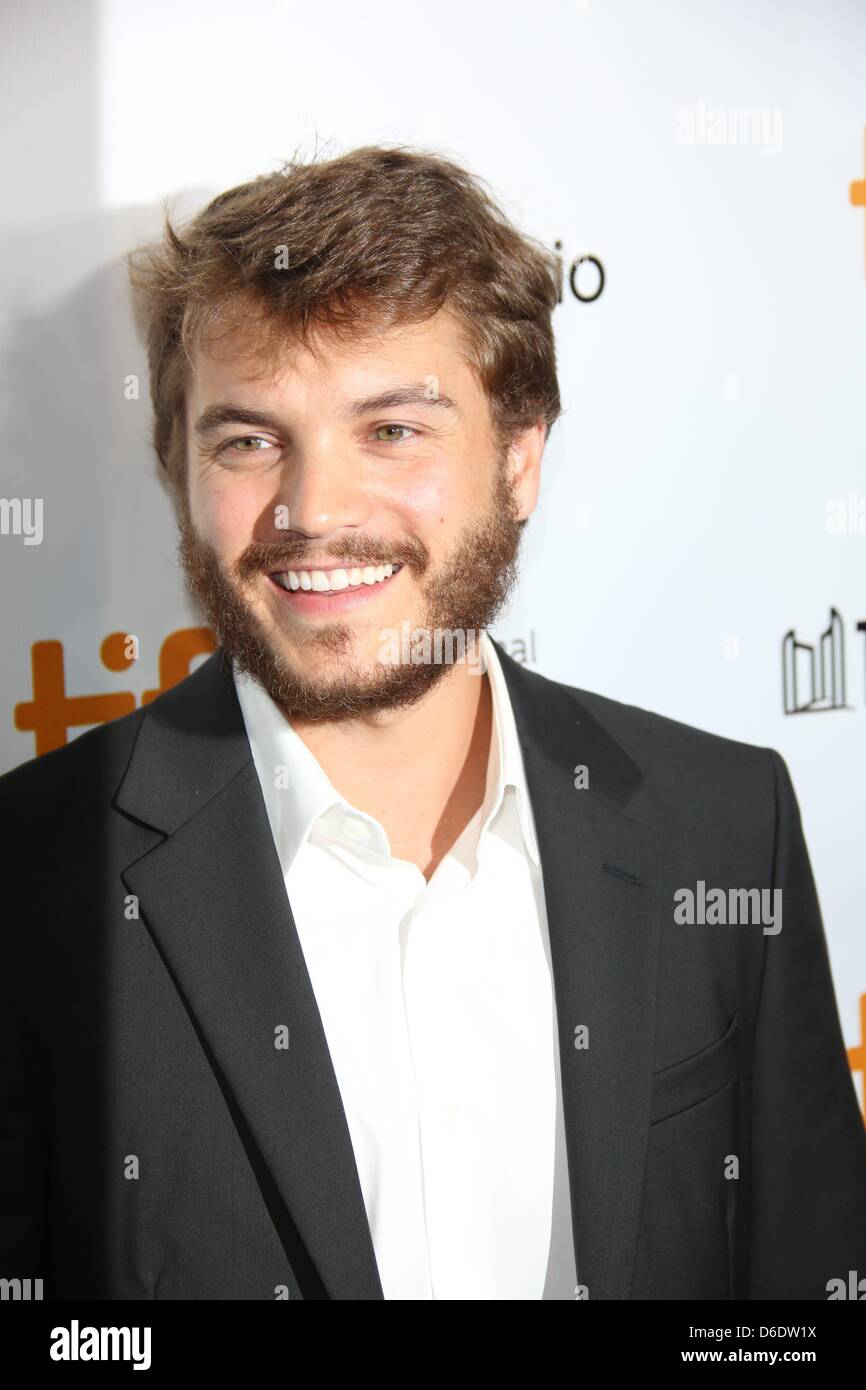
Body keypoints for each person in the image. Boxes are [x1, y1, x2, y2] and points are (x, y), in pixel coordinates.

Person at [1, 145, 864, 1301]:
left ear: (519, 460)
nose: (313, 512)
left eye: (392, 430)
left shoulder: (716, 822)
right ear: (178, 465)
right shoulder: (32, 877)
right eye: (248, 439)